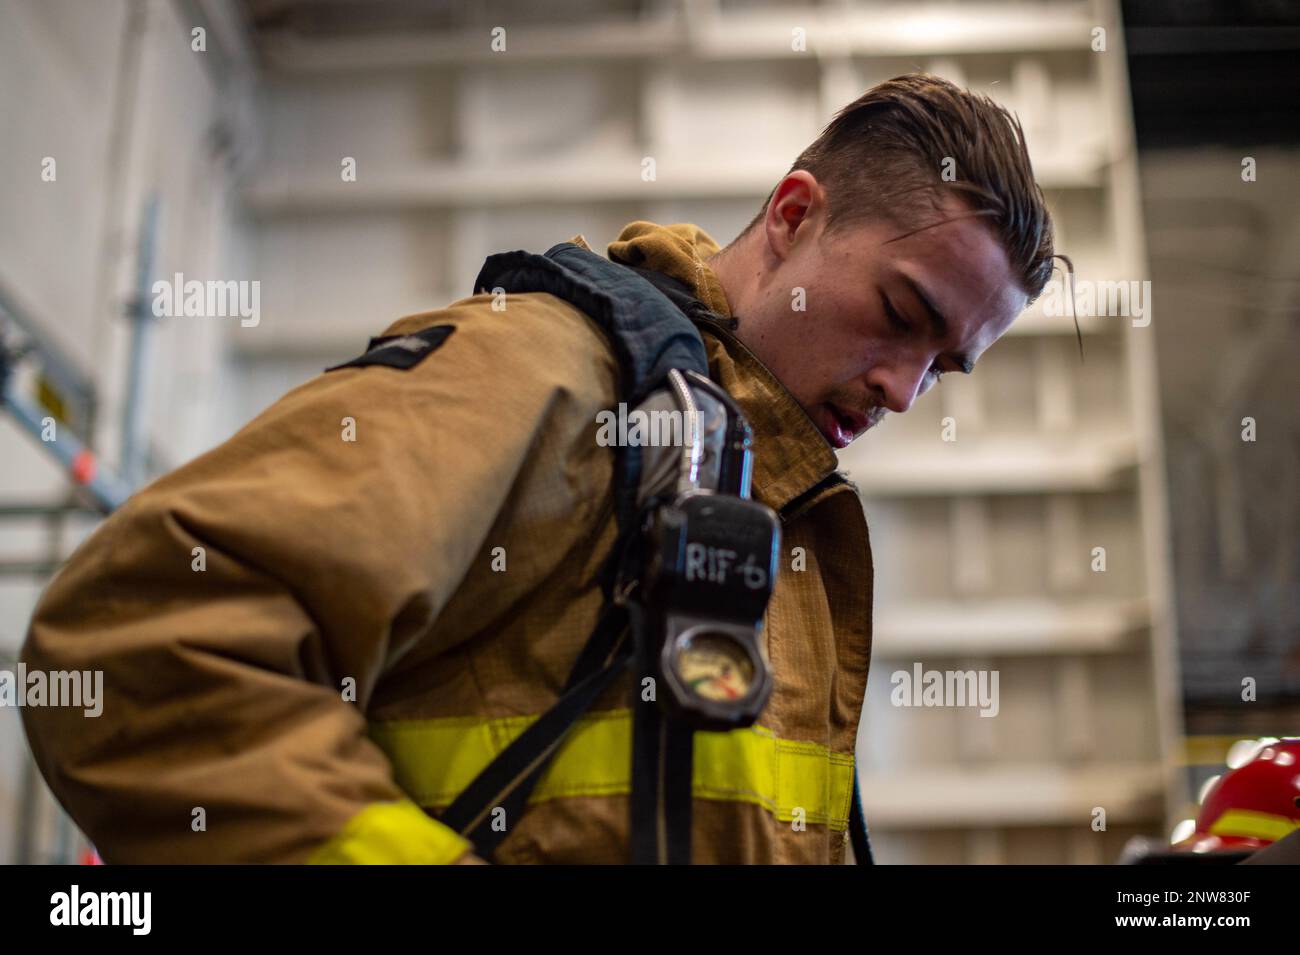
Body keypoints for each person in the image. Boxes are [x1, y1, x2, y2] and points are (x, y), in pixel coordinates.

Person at [20, 73, 1056, 864]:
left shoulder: (774, 512)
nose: (903, 392)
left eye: (945, 366)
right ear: (792, 218)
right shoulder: (557, 377)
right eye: (901, 316)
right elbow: (133, 648)